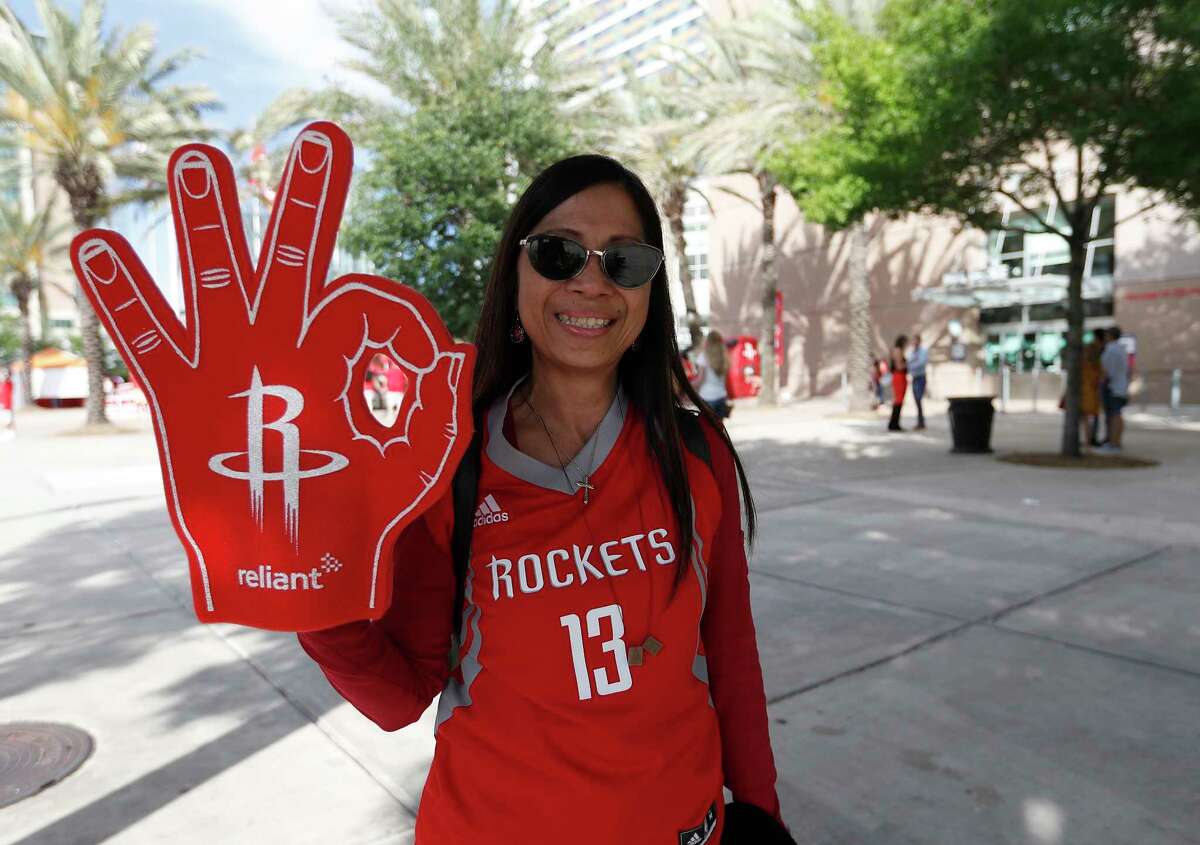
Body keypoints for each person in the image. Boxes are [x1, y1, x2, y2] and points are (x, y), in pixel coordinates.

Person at [296, 155, 782, 844]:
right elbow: (400, 693)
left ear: (650, 290)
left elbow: (730, 653)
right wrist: (314, 599)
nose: (590, 281)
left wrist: (762, 814)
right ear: (515, 272)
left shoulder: (695, 452)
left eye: (625, 261)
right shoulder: (448, 458)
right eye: (558, 253)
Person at [1100, 325, 1129, 451]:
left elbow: (1107, 371)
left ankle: (1113, 442)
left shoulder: (1111, 350)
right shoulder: (1121, 349)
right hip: (1120, 385)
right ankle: (1115, 441)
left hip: (1112, 386)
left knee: (1114, 415)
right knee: (1117, 414)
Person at [694, 329, 732, 419]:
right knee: (719, 427)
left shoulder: (703, 357)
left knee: (708, 428)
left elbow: (700, 380)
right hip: (721, 396)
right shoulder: (724, 357)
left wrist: (688, 386)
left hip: (707, 397)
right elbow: (725, 381)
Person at [1079, 330, 1104, 450]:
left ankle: (1088, 441)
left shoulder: (1085, 365)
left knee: (1084, 418)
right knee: (1089, 418)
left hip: (1085, 393)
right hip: (1092, 393)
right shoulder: (1098, 365)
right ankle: (1089, 439)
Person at [906, 333, 928, 429]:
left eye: (916, 340)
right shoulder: (912, 352)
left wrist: (912, 364)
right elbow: (909, 363)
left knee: (919, 398)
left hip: (921, 377)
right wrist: (913, 362)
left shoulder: (923, 351)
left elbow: (921, 363)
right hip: (914, 377)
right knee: (916, 400)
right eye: (913, 340)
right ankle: (920, 421)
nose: (914, 342)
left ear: (919, 341)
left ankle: (921, 422)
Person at [888, 334, 908, 431]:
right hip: (899, 376)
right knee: (898, 401)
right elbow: (899, 366)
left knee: (898, 400)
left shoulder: (896, 350)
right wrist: (908, 364)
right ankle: (894, 424)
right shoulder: (898, 350)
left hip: (899, 376)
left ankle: (894, 423)